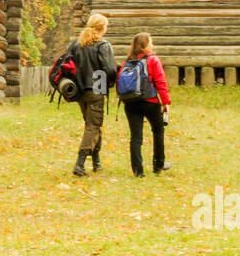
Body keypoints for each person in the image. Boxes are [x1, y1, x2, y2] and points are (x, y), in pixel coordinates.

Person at [116, 31, 171, 177]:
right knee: (158, 131)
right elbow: (160, 82)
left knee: (136, 137)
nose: (152, 45)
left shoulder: (127, 62)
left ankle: (138, 171)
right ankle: (158, 165)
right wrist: (165, 102)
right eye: (150, 42)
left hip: (131, 103)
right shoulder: (152, 60)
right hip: (149, 101)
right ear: (144, 45)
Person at [69, 12, 117, 177]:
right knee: (93, 125)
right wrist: (109, 83)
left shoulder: (76, 44)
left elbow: (68, 64)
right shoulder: (102, 45)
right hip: (97, 86)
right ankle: (80, 164)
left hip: (79, 90)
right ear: (102, 27)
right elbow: (110, 69)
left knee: (92, 123)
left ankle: (96, 162)